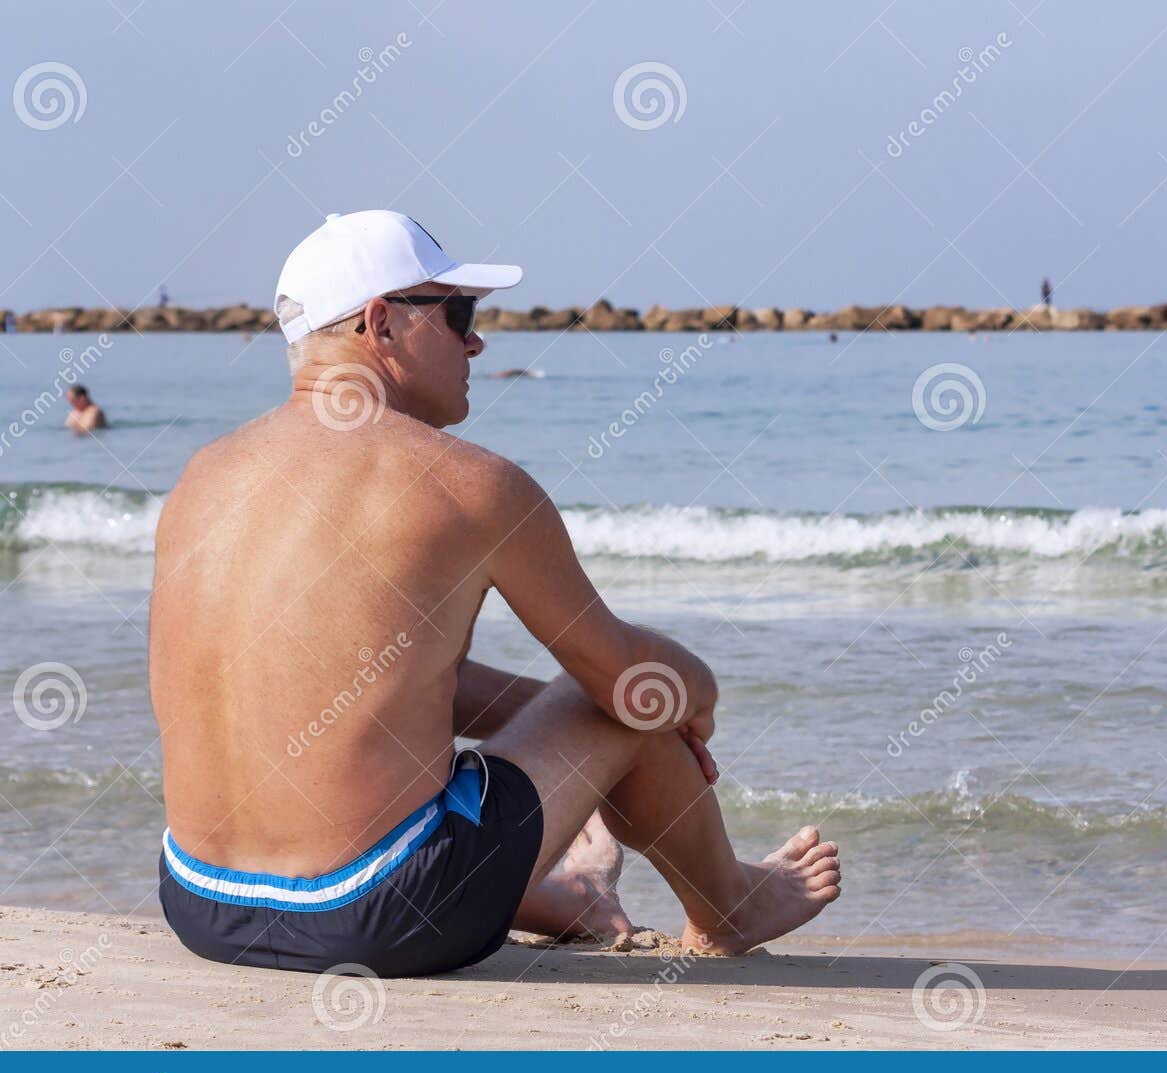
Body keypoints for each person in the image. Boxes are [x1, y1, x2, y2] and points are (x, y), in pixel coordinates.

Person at [150, 210, 840, 976]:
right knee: (637, 694)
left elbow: (365, 678)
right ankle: (730, 906)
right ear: (380, 323)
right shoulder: (469, 483)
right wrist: (696, 699)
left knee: (541, 703)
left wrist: (547, 724)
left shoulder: (201, 476)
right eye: (458, 315)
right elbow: (628, 683)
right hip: (380, 916)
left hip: (201, 904)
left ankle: (564, 894)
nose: (476, 342)